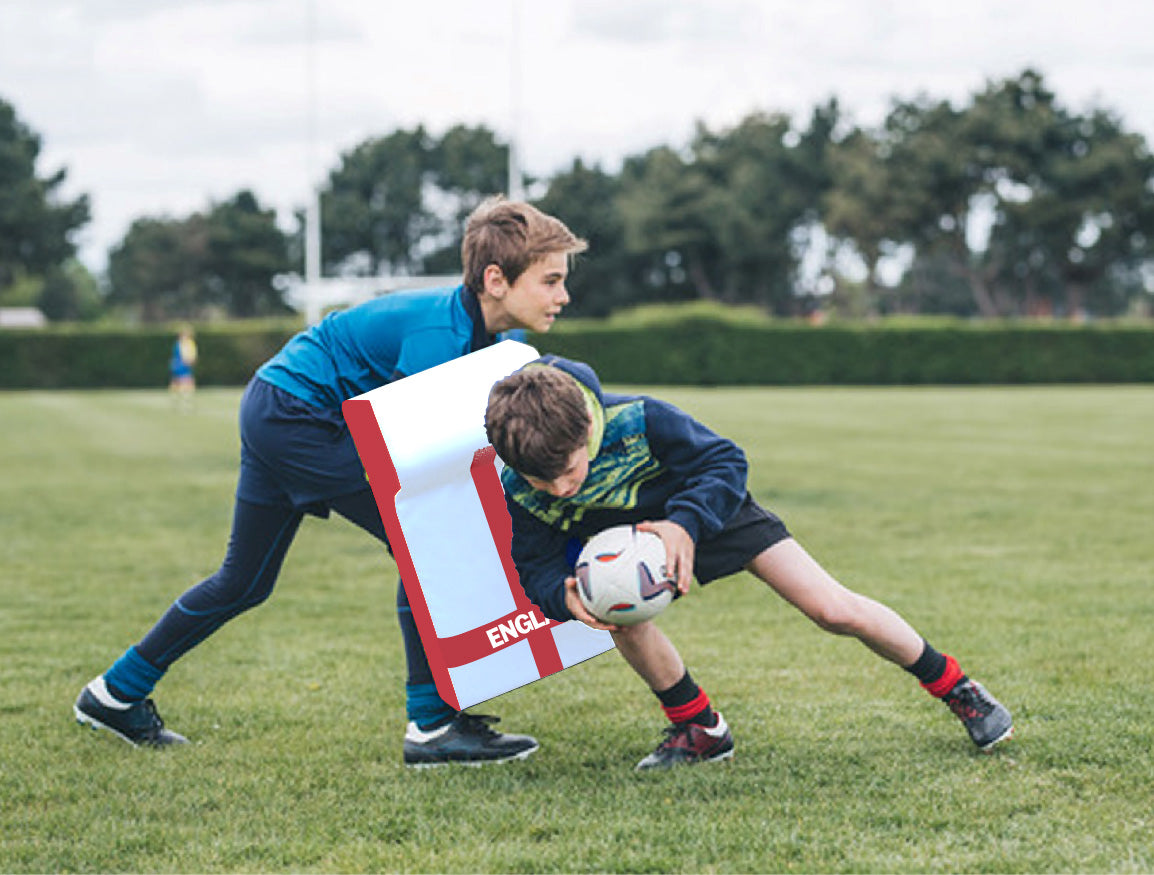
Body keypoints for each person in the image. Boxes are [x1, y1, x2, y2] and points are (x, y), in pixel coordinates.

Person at [75, 197, 588, 767]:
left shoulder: (483, 340)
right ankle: (431, 725)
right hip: (299, 418)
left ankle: (114, 693)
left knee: (244, 582)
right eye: (551, 280)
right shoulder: (439, 336)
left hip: (275, 407)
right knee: (427, 547)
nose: (563, 296)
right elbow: (424, 458)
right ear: (496, 280)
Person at [483, 356, 1014, 770]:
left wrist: (684, 525)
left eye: (569, 471)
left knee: (833, 610)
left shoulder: (640, 419)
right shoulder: (522, 487)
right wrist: (565, 597)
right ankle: (700, 729)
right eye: (541, 481)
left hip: (708, 512)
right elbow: (535, 566)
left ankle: (956, 687)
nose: (559, 489)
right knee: (619, 614)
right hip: (622, 546)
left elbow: (725, 461)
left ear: (585, 433)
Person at [169, 326, 198, 408]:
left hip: (184, 364)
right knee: (179, 380)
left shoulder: (188, 343)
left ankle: (185, 397)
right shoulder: (179, 344)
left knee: (185, 380)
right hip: (180, 364)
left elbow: (192, 355)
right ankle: (178, 397)